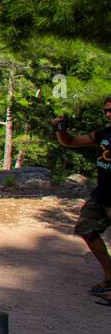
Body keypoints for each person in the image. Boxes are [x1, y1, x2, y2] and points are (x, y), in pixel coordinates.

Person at [53, 97, 111, 298]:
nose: (109, 114)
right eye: (106, 111)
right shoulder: (103, 133)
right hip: (102, 195)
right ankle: (109, 277)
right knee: (86, 229)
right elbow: (70, 142)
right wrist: (61, 129)